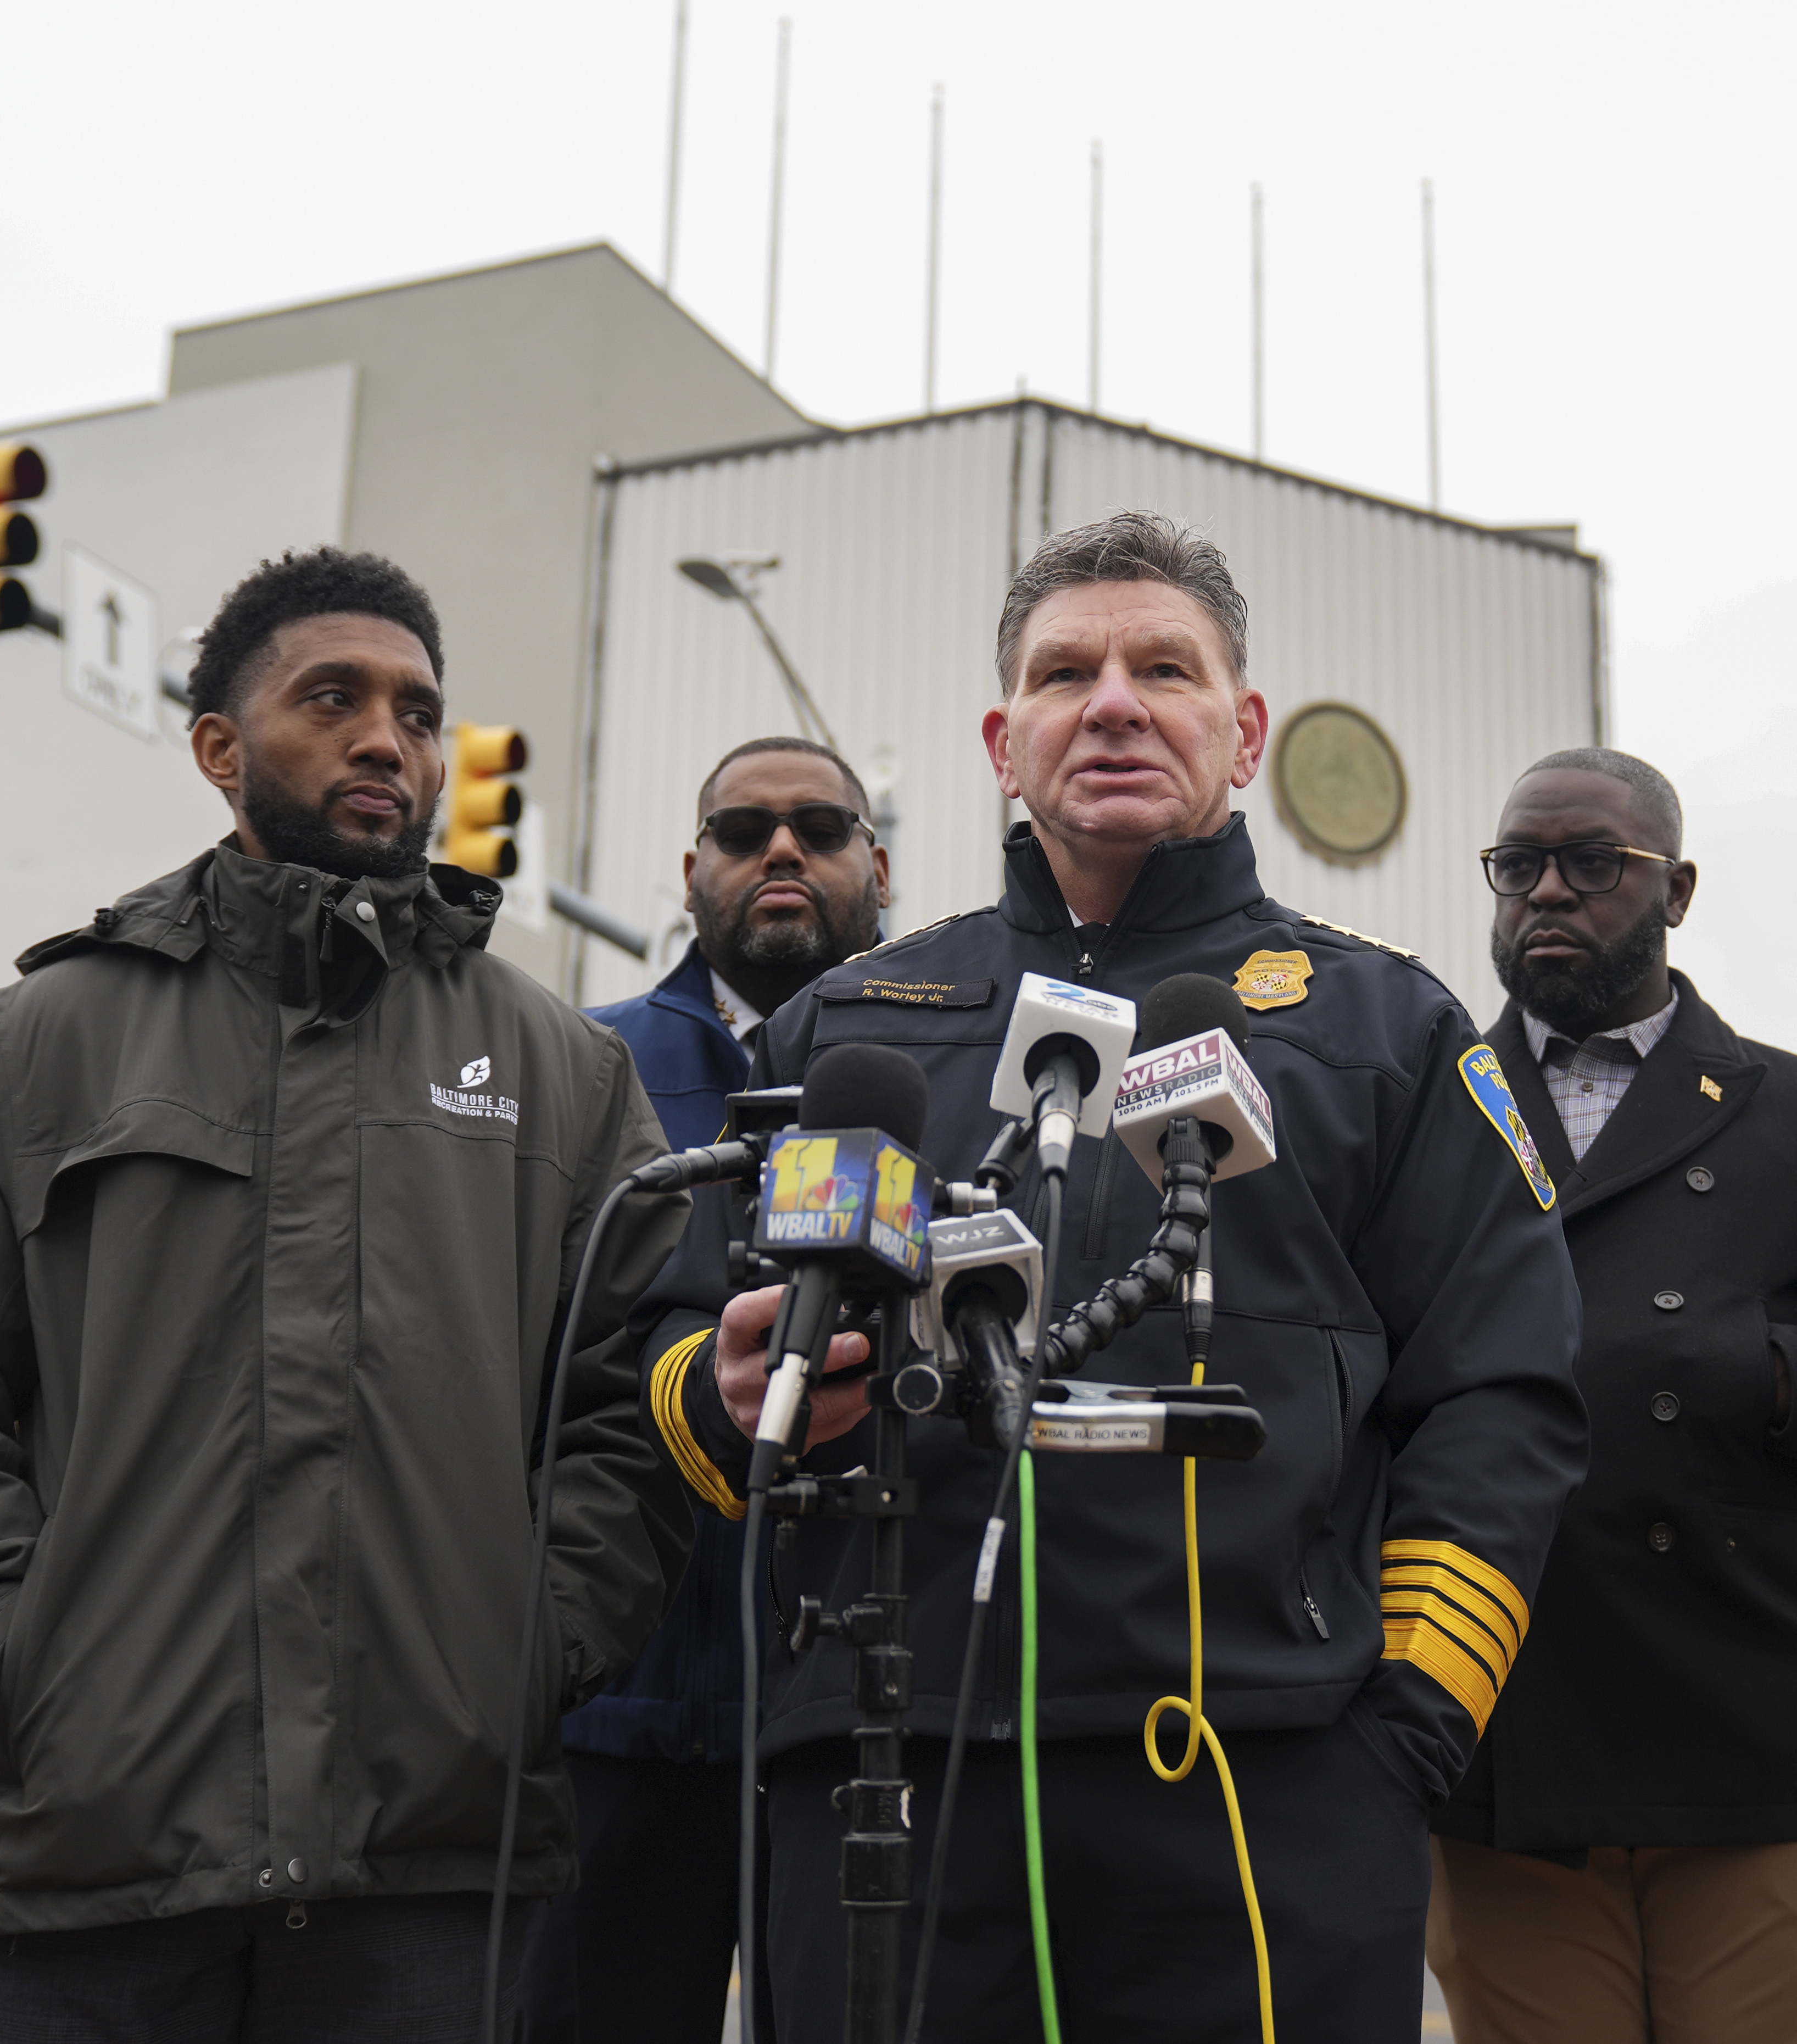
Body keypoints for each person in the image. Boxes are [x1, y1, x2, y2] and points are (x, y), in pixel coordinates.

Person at [661, 509, 1590, 2043]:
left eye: (1164, 668)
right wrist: (725, 1387)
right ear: (999, 737)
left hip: (1256, 1788)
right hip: (887, 1776)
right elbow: (666, 1350)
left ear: (1240, 731)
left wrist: (1403, 1729)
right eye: (1063, 671)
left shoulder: (1386, 1028)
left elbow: (1501, 1393)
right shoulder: (842, 1033)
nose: (1111, 701)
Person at [0, 548, 691, 2040]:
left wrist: (525, 1656)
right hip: (94, 1855)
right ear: (219, 748)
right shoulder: (28, 1048)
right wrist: (22, 1665)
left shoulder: (564, 1076)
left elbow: (637, 1402)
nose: (383, 739)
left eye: (415, 710)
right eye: (330, 698)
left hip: (430, 1865)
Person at [1426, 748, 1797, 2044]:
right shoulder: (1422, 1111)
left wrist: (1766, 1370)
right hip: (1502, 1734)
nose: (1547, 892)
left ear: (1678, 888)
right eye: (1517, 866)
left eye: (1594, 863)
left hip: (1747, 1741)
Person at [521, 734, 890, 2042]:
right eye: (744, 833)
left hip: (856, 1716)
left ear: (878, 865)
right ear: (692, 871)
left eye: (818, 827)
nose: (780, 851)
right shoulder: (582, 1065)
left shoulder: (949, 1065)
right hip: (625, 1713)